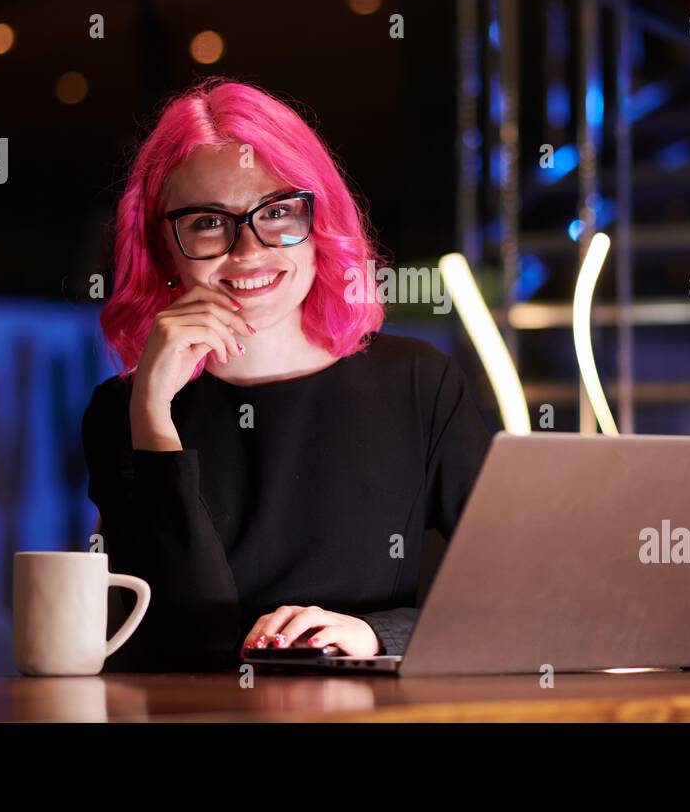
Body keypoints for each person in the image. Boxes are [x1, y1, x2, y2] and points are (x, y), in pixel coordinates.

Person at [83, 77, 492, 670]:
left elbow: (514, 598)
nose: (248, 250)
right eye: (206, 222)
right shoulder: (123, 412)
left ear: (319, 222)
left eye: (276, 212)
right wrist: (151, 416)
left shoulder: (420, 384)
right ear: (162, 245)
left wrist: (375, 635)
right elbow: (185, 638)